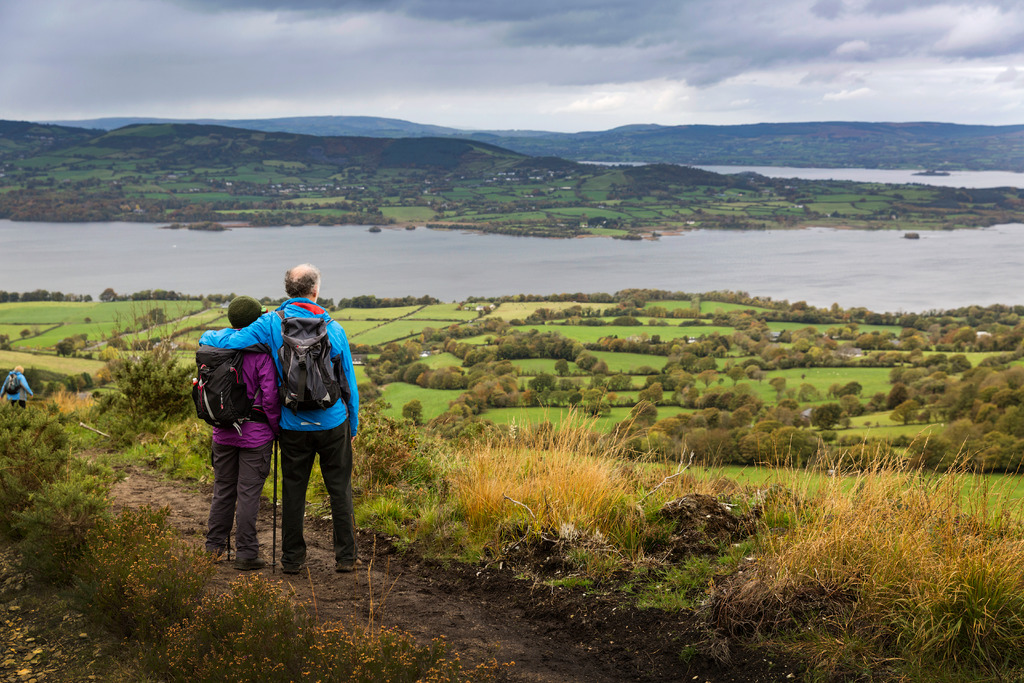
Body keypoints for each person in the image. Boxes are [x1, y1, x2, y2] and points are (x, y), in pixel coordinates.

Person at [200, 264, 360, 574]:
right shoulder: (334, 329)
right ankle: (346, 558)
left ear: (288, 290)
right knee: (339, 489)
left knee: (293, 491)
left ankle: (291, 560)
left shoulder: (270, 324)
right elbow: (348, 384)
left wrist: (207, 334)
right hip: (332, 422)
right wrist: (351, 425)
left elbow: (228, 341)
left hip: (292, 424)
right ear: (315, 290)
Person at [204, 296, 282, 571]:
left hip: (222, 433)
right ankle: (247, 553)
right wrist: (276, 431)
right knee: (248, 494)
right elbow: (271, 399)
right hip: (256, 436)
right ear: (256, 320)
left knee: (223, 491)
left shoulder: (213, 347)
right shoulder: (261, 354)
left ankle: (213, 549)